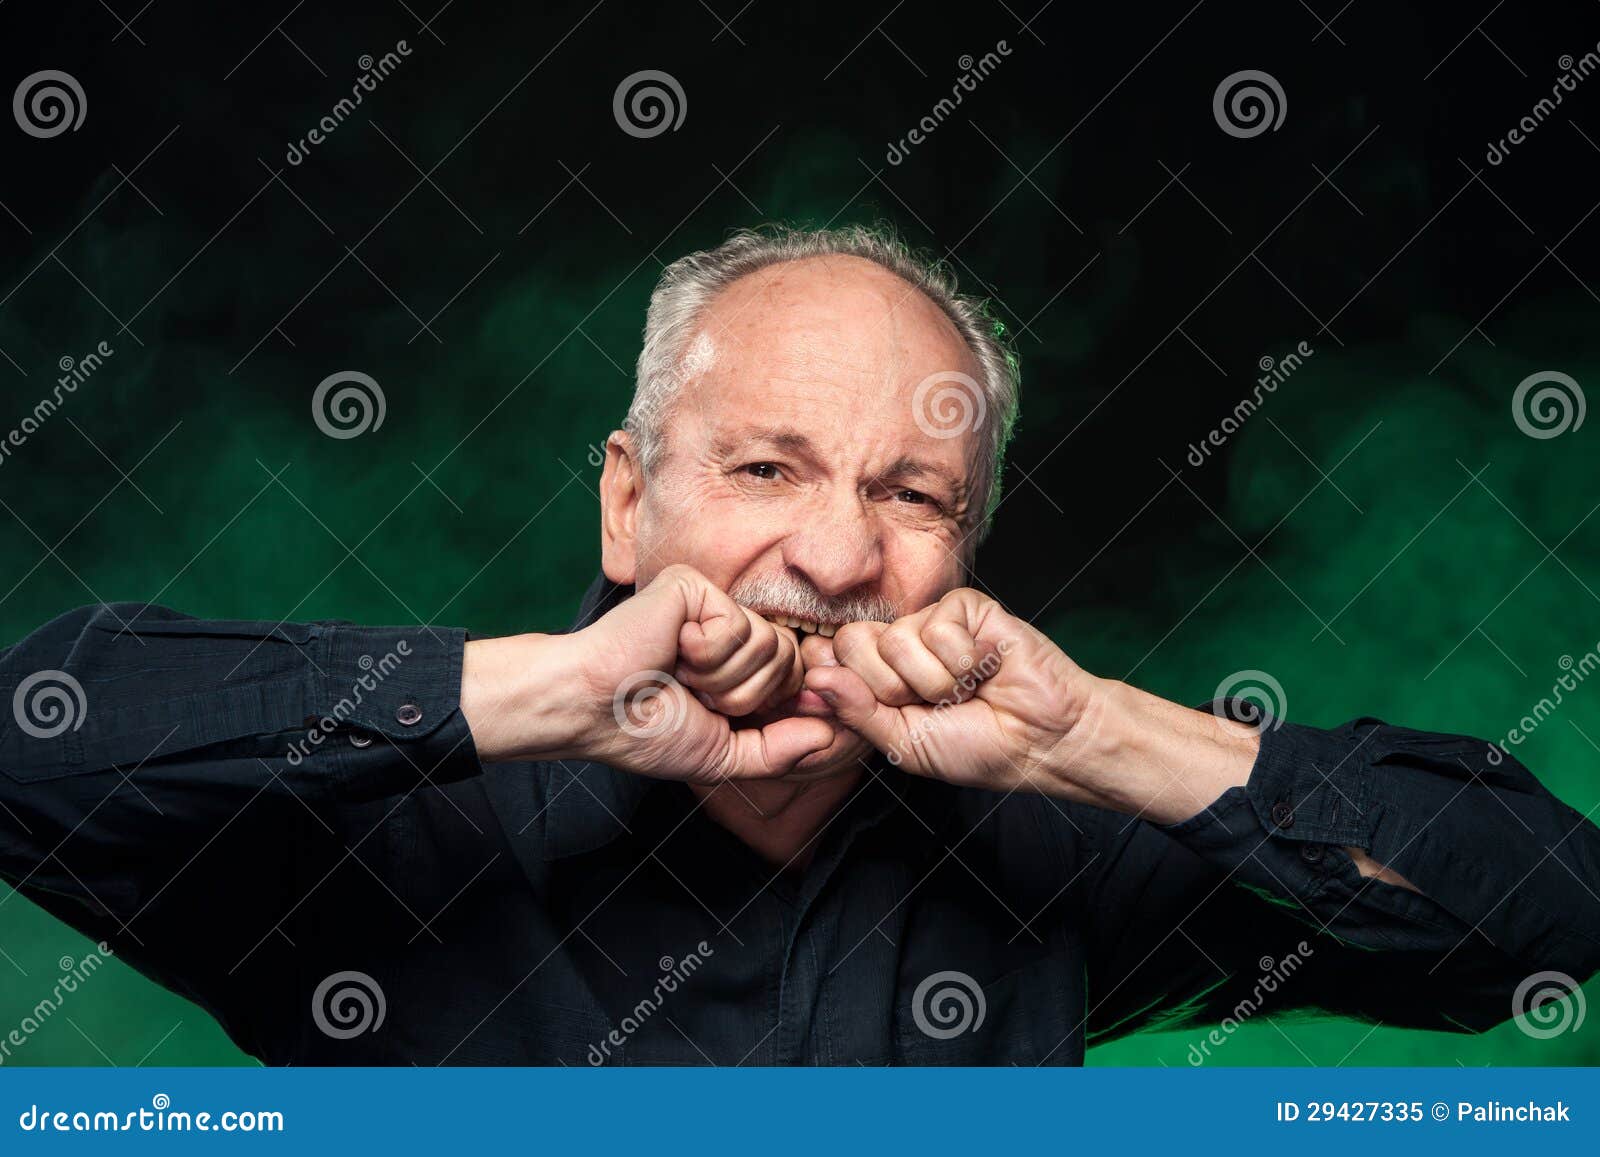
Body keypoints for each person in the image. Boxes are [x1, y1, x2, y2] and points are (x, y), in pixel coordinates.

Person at [2, 226, 1596, 1065]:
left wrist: (1103, 737)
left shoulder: (1049, 838)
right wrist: (543, 691)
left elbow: (1544, 916)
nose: (835, 556)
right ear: (628, 505)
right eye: (765, 468)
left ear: (963, 551)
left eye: (911, 494)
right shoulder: (398, 826)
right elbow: (32, 742)